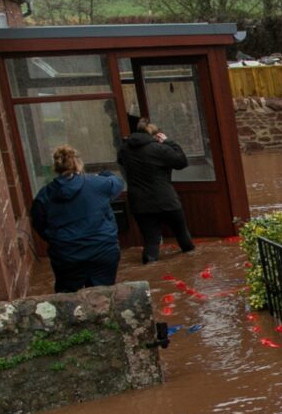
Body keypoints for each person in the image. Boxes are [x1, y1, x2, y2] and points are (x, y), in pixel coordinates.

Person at [30, 145, 123, 292]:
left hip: (66, 255)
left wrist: (56, 239)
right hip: (102, 249)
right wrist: (105, 174)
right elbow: (118, 184)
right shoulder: (97, 184)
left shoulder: (45, 194)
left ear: (56, 167)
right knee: (103, 298)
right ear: (79, 163)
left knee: (68, 302)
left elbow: (38, 223)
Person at [119, 119, 195, 264]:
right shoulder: (160, 149)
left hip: (140, 203)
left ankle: (149, 267)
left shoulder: (125, 149)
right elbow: (181, 162)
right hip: (166, 200)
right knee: (182, 235)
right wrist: (169, 142)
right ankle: (192, 265)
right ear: (157, 135)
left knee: (151, 241)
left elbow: (121, 160)